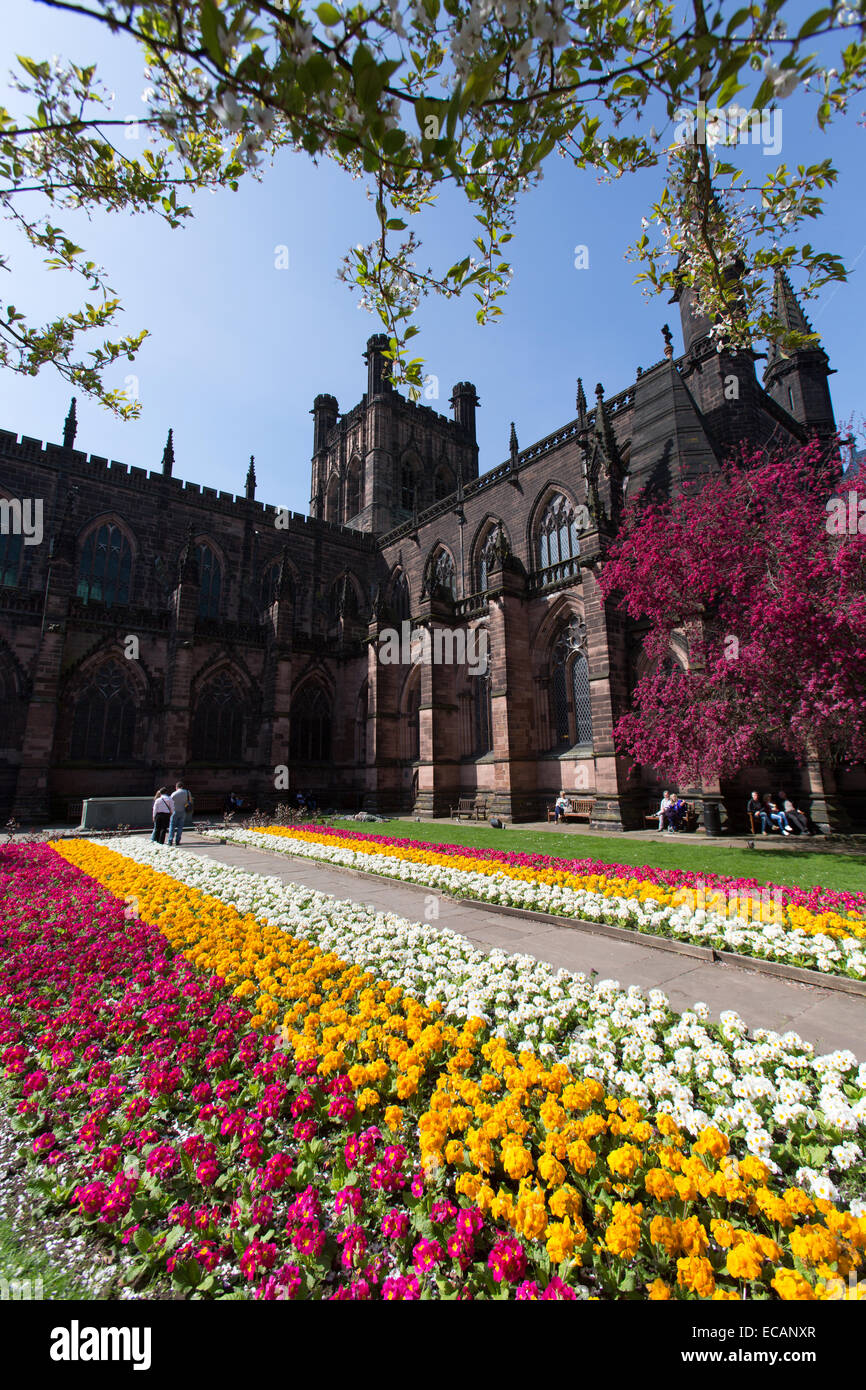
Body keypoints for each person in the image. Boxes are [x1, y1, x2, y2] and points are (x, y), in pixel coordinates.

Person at [168, 779, 192, 846]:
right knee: (180, 826)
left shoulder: (174, 793)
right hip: (183, 811)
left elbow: (170, 803)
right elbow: (190, 801)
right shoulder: (187, 792)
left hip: (175, 811)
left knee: (172, 826)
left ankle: (170, 840)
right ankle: (178, 840)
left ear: (177, 787)